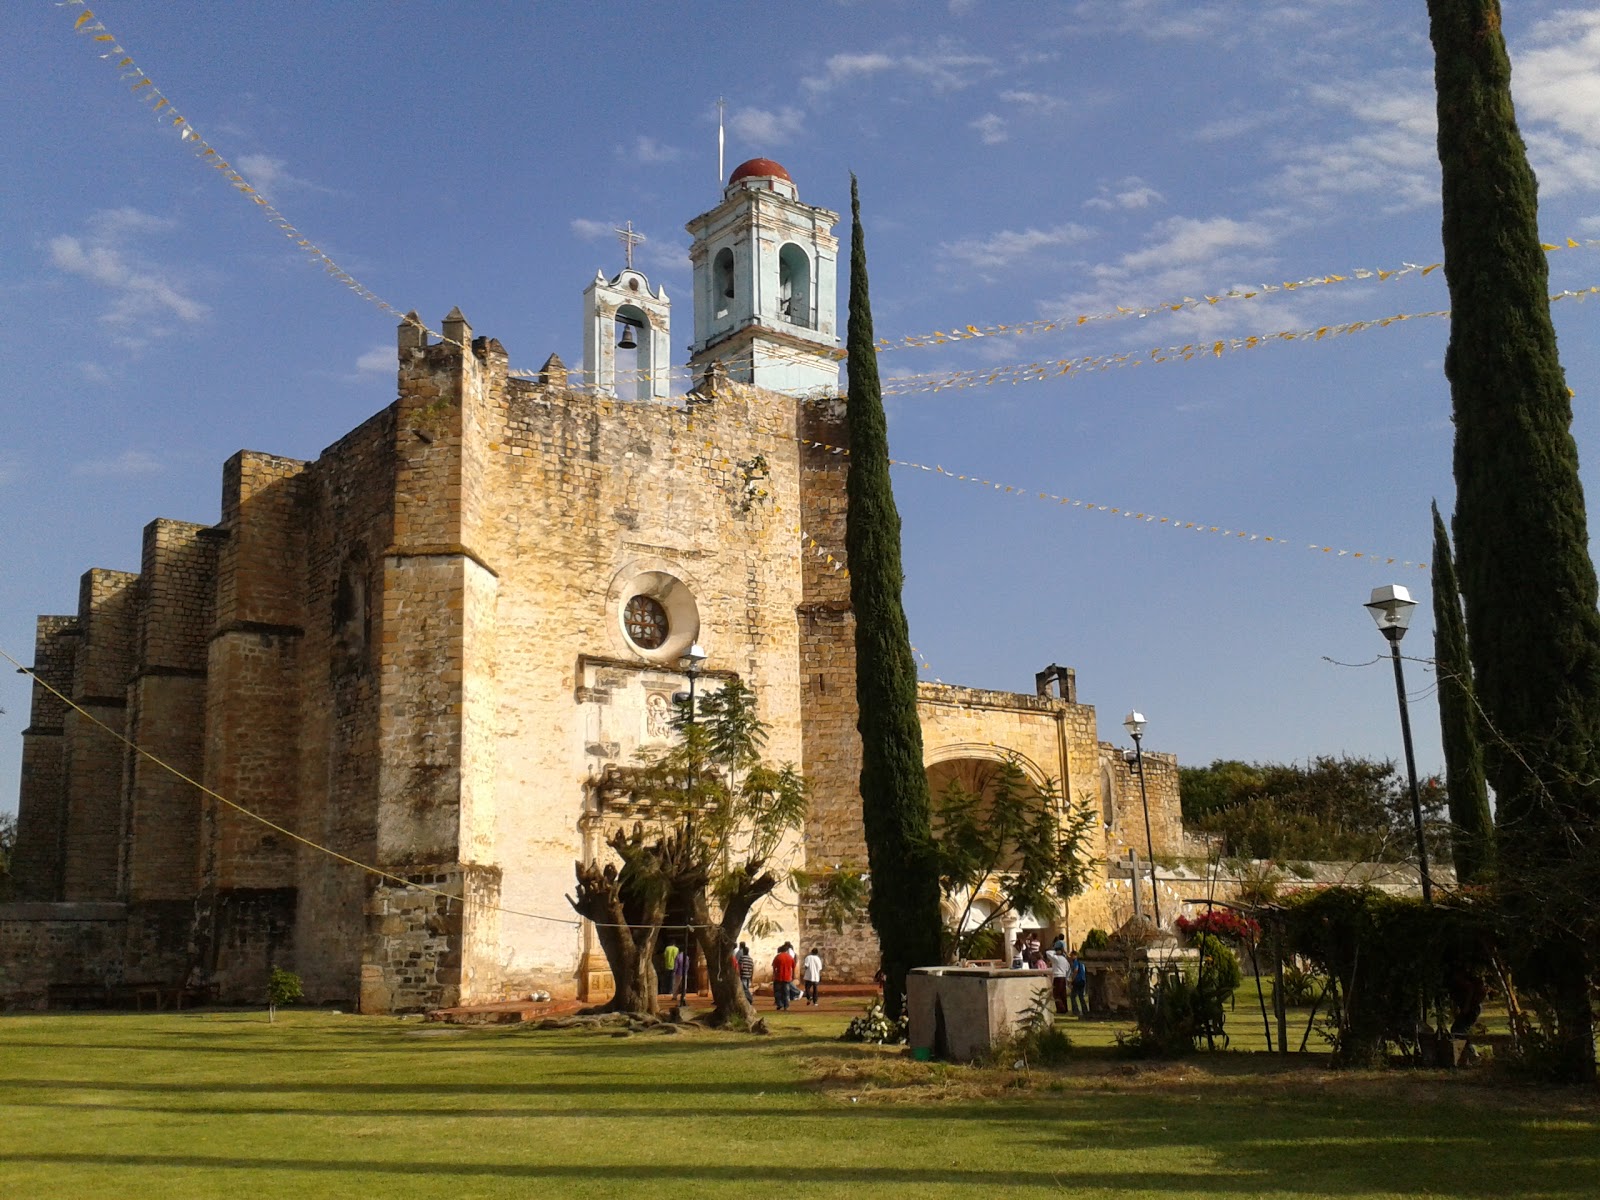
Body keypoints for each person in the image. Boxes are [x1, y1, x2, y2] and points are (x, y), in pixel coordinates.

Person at [1046, 946, 1071, 1013]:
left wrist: (1055, 952)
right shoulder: (1064, 959)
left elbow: (1047, 953)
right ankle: (1065, 1008)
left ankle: (1061, 1009)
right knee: (1063, 994)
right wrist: (1067, 977)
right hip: (1063, 977)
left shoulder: (1056, 958)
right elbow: (1068, 968)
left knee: (1056, 994)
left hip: (1058, 977)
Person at [771, 942, 797, 1010]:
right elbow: (793, 967)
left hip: (778, 976)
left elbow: (774, 967)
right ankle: (786, 1006)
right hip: (787, 977)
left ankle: (779, 1004)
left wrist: (773, 975)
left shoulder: (778, 957)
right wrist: (793, 975)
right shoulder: (790, 957)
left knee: (778, 991)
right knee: (786, 992)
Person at [1069, 950, 1088, 1016]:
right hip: (1082, 980)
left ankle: (1076, 1011)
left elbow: (1075, 970)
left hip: (1077, 980)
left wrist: (1072, 979)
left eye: (1071, 956)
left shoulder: (1076, 962)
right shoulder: (1082, 962)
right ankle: (1085, 1010)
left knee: (1073, 996)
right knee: (1081, 996)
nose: (1071, 957)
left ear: (1075, 955)